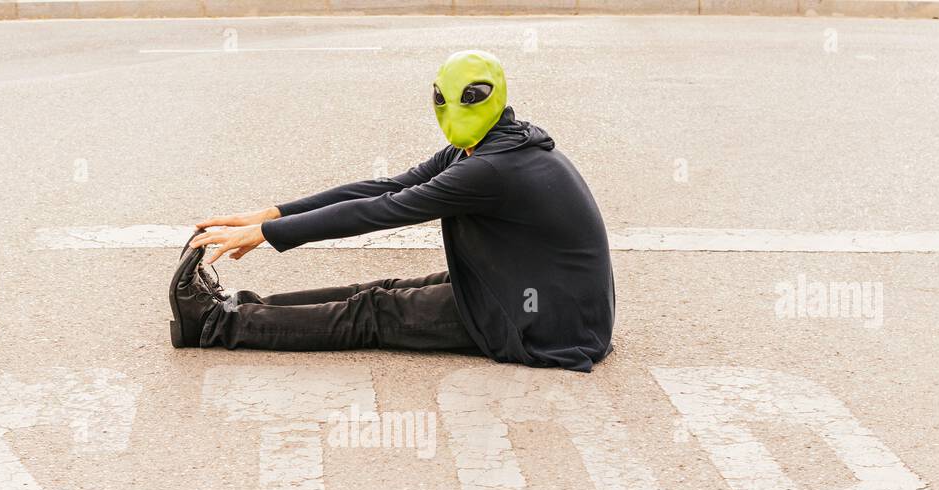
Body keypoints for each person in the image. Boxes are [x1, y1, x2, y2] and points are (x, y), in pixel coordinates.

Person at [170, 49, 616, 372]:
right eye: (444, 99)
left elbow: (384, 209)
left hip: (542, 323)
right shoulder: (491, 145)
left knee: (374, 312)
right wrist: (271, 215)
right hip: (538, 293)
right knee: (381, 288)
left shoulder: (490, 169)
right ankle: (230, 307)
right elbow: (389, 185)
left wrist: (270, 235)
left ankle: (214, 324)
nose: (454, 111)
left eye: (467, 98)